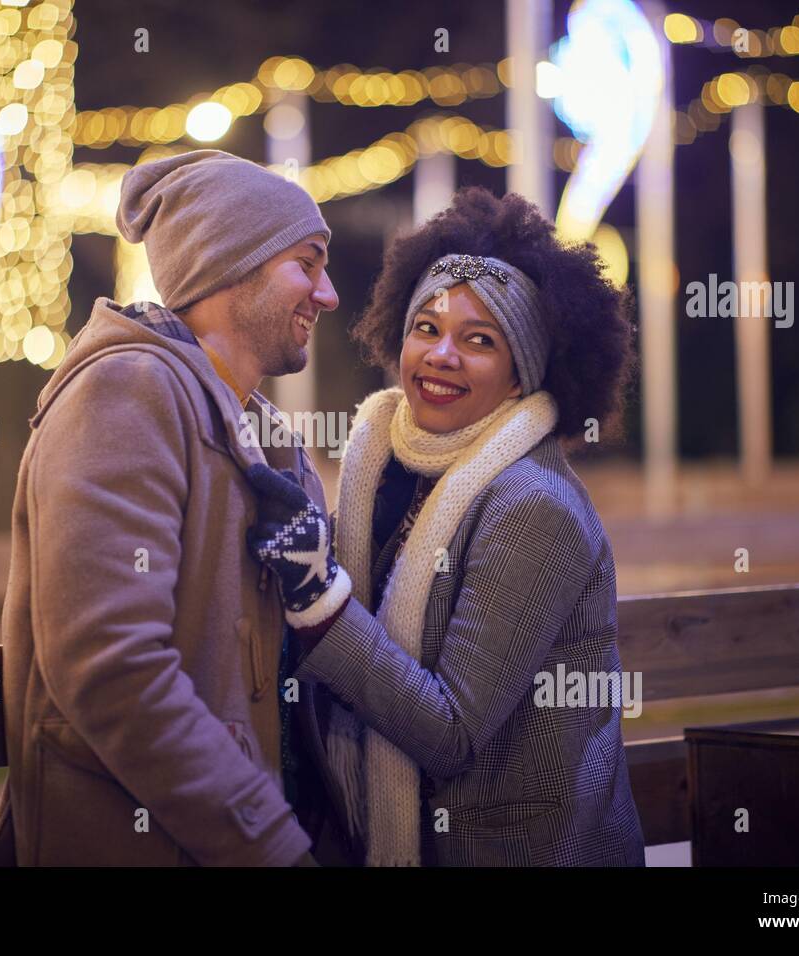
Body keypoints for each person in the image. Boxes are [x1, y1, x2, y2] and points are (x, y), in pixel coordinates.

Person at [246, 186, 646, 866]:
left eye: (479, 340)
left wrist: (321, 604)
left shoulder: (534, 507)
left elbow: (450, 731)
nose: (440, 355)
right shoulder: (385, 469)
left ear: (522, 376)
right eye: (426, 328)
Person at [0, 150, 353, 865]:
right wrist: (272, 846)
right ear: (228, 266)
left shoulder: (258, 434)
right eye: (307, 264)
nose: (329, 293)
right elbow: (113, 669)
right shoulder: (128, 392)